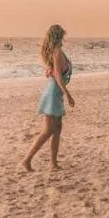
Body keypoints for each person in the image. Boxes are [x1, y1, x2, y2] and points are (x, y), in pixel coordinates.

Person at [22, 24, 75, 172]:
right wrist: (68, 94)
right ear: (59, 36)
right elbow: (58, 76)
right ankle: (27, 160)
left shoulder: (58, 51)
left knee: (57, 128)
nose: (64, 38)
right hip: (53, 93)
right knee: (48, 130)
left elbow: (53, 72)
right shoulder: (57, 52)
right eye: (62, 35)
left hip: (56, 92)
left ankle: (53, 163)